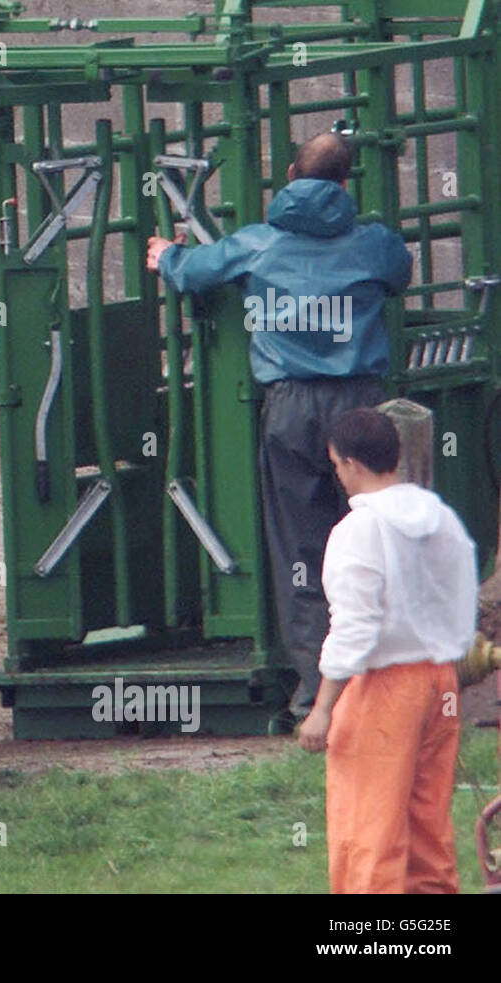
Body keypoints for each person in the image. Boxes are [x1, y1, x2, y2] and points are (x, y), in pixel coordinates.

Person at [146, 132, 413, 721]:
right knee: (375, 539)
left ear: (289, 175)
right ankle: (385, 677)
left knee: (301, 546)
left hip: (290, 407)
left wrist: (166, 252)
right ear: (346, 184)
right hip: (361, 406)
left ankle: (315, 688)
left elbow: (192, 273)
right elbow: (401, 272)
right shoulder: (372, 244)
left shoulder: (257, 245)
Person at [297, 408, 475, 893]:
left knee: (368, 827)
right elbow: (463, 597)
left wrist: (322, 707)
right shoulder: (440, 518)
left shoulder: (358, 531)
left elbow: (355, 627)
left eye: (336, 463)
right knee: (428, 824)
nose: (338, 472)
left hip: (384, 689)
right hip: (441, 683)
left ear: (351, 463)